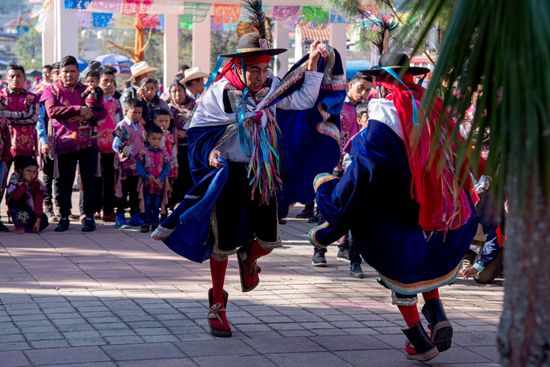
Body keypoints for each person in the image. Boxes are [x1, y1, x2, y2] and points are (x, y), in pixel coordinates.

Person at [152, 8, 329, 338]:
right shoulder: (219, 94)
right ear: (238, 66)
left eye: (265, 69)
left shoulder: (272, 87)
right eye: (255, 70)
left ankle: (250, 258)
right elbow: (199, 133)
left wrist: (314, 67)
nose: (262, 76)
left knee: (269, 239)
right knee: (222, 244)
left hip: (261, 172)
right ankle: (217, 302)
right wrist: (212, 153)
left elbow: (303, 98)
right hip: (229, 175)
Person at [310, 52, 478, 361]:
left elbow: (357, 179)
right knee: (423, 267)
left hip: (395, 218)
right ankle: (438, 316)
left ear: (382, 84)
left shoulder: (380, 128)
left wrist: (326, 192)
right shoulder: (431, 111)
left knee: (400, 272)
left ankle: (419, 341)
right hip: (434, 215)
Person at [311, 73, 373, 270]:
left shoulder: (369, 109)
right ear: (350, 85)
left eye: (368, 89)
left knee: (356, 210)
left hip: (355, 167)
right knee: (328, 206)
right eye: (361, 87)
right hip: (332, 164)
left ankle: (351, 255)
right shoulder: (336, 105)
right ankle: (319, 250)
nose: (364, 93)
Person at [40, 55, 106, 232]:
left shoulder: (90, 89)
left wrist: (89, 113)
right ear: (59, 74)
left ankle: (88, 216)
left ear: (79, 73)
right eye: (66, 72)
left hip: (88, 143)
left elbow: (102, 113)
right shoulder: (51, 90)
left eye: (73, 71)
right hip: (65, 142)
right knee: (63, 181)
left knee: (89, 181)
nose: (69, 75)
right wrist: (78, 109)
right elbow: (52, 111)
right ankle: (63, 216)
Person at [0, 64, 40, 232]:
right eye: (12, 76)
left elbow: (33, 117)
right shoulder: (0, 96)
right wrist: (19, 116)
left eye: (19, 76)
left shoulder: (32, 97)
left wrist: (8, 115)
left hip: (26, 146)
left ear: (24, 78)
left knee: (25, 182)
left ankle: (22, 215)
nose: (15, 79)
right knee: (1, 182)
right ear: (6, 78)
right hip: (4, 146)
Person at [112, 98, 146, 229]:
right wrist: (127, 155)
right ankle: (120, 216)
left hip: (138, 165)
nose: (137, 115)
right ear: (126, 111)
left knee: (135, 190)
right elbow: (115, 145)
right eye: (134, 112)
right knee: (122, 190)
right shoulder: (122, 126)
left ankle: (135, 215)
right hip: (124, 165)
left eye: (139, 112)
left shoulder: (140, 125)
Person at [94, 67, 122, 222]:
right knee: (94, 177)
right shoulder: (92, 100)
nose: (110, 84)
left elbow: (119, 124)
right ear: (98, 82)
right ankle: (94, 208)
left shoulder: (116, 102)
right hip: (95, 144)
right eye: (106, 81)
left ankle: (108, 210)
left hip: (112, 146)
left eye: (112, 81)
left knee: (109, 178)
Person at [136, 125, 171, 233]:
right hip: (147, 183)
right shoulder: (144, 152)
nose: (156, 142)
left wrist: (161, 178)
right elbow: (139, 166)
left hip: (159, 184)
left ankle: (155, 222)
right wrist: (146, 176)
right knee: (147, 203)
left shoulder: (164, 153)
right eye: (154, 139)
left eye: (159, 139)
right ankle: (146, 222)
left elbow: (167, 167)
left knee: (156, 203)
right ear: (148, 138)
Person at [167, 79, 195, 207]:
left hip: (191, 147)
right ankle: (173, 203)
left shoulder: (195, 106)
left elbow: (199, 124)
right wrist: (174, 132)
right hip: (173, 148)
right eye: (174, 91)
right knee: (176, 175)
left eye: (179, 90)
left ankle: (188, 203)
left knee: (188, 175)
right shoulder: (168, 108)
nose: (177, 94)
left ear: (185, 91)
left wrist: (187, 133)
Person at [5, 156, 49, 234]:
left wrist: (38, 220)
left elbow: (38, 203)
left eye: (34, 172)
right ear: (21, 171)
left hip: (31, 210)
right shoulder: (15, 180)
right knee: (18, 206)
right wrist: (25, 184)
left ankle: (31, 225)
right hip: (18, 209)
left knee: (44, 220)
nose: (31, 174)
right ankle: (20, 225)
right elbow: (15, 197)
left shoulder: (37, 184)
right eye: (28, 171)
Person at [81, 70, 104, 138]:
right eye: (88, 82)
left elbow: (98, 98)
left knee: (93, 119)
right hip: (87, 107)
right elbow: (82, 97)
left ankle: (95, 130)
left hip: (95, 109)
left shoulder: (99, 90)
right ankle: (84, 123)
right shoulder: (87, 89)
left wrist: (93, 92)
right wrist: (86, 92)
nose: (90, 84)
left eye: (92, 82)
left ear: (98, 82)